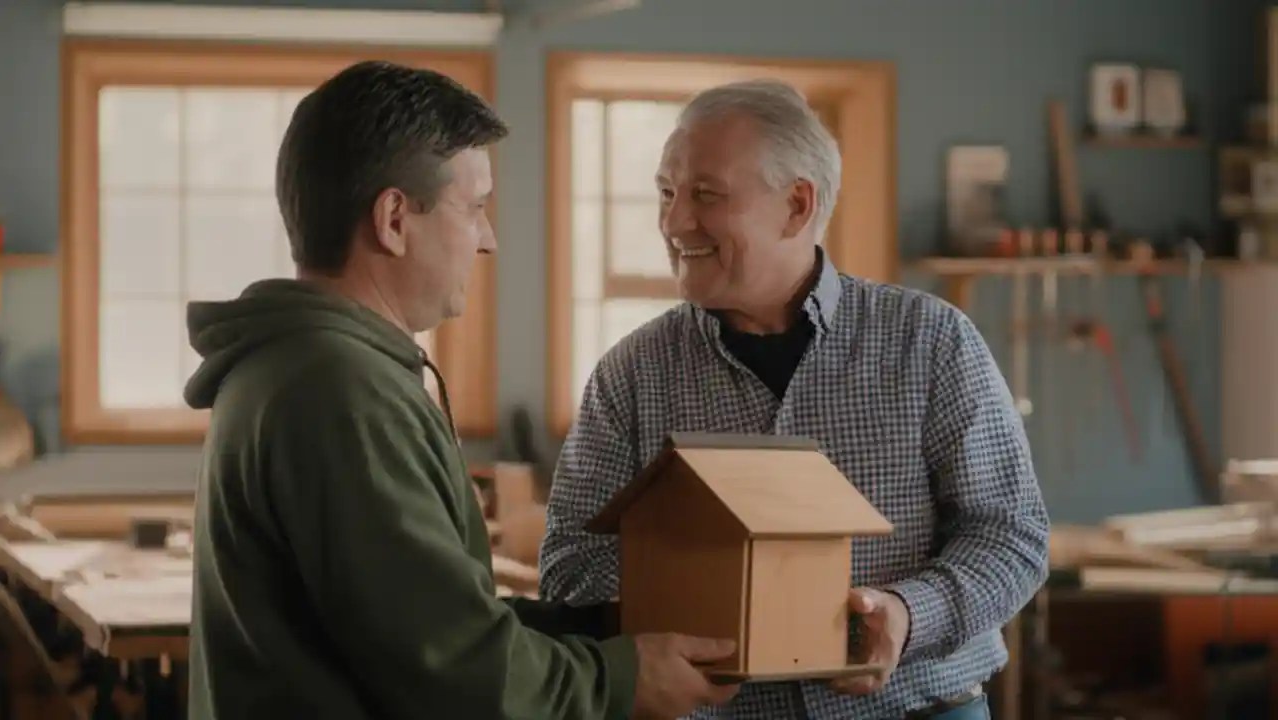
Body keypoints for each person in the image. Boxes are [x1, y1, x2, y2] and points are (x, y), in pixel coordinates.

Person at [182, 60, 739, 720]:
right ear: (393, 218)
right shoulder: (343, 392)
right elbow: (453, 671)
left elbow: (420, 621)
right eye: (474, 208)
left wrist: (602, 629)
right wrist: (622, 679)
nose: (488, 240)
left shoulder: (305, 367)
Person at [539, 78, 1051, 719]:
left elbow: (1011, 536)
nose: (673, 223)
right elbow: (570, 563)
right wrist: (671, 622)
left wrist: (909, 614)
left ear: (797, 206)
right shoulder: (632, 373)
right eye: (666, 194)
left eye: (706, 195)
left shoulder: (932, 341)